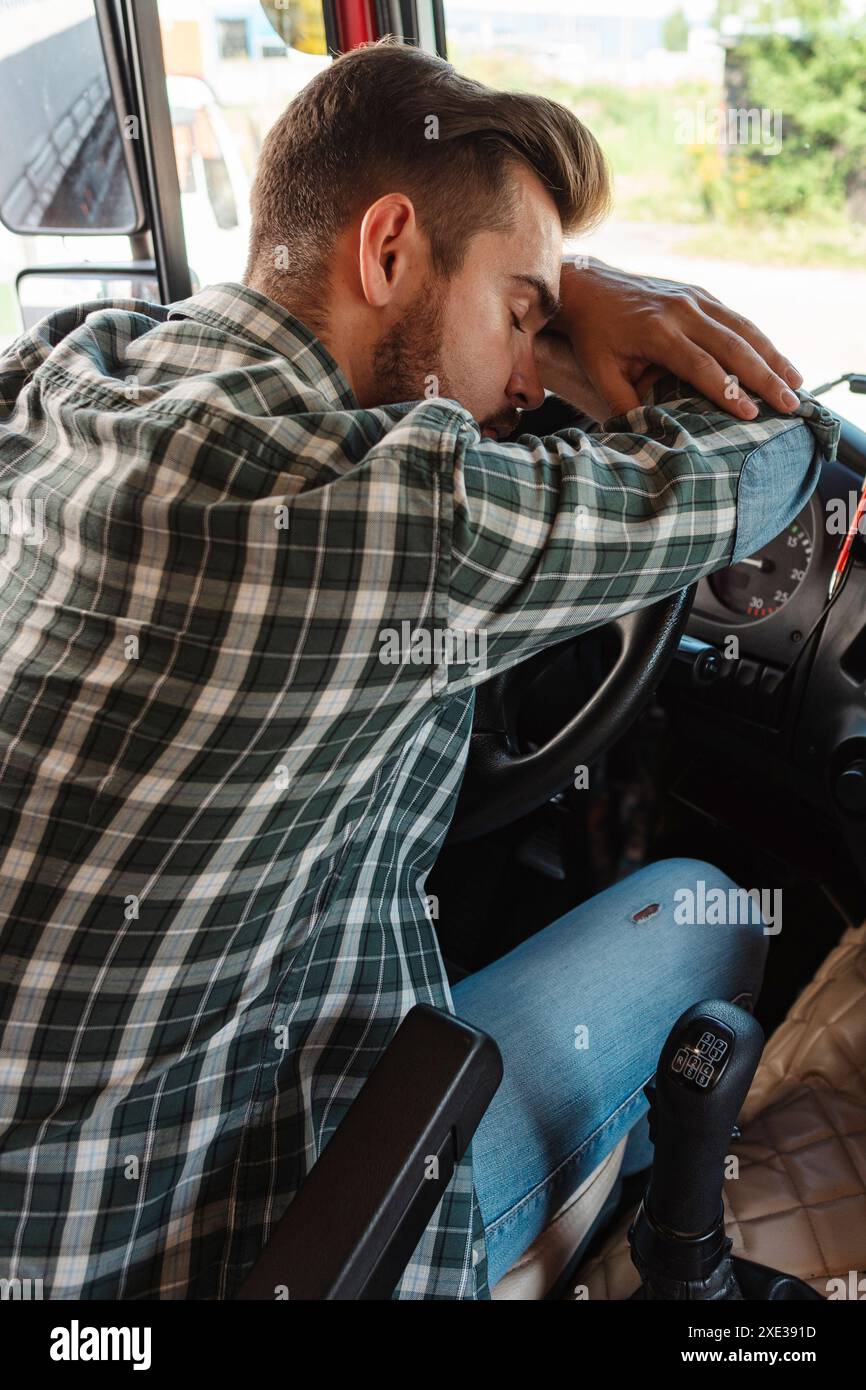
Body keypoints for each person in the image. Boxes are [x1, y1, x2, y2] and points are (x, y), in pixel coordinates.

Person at [0, 37, 840, 1300]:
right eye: (520, 318)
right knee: (697, 906)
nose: (523, 379)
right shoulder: (378, 512)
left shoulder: (66, 376)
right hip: (201, 1261)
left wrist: (542, 286)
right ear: (388, 248)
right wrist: (604, 296)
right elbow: (769, 446)